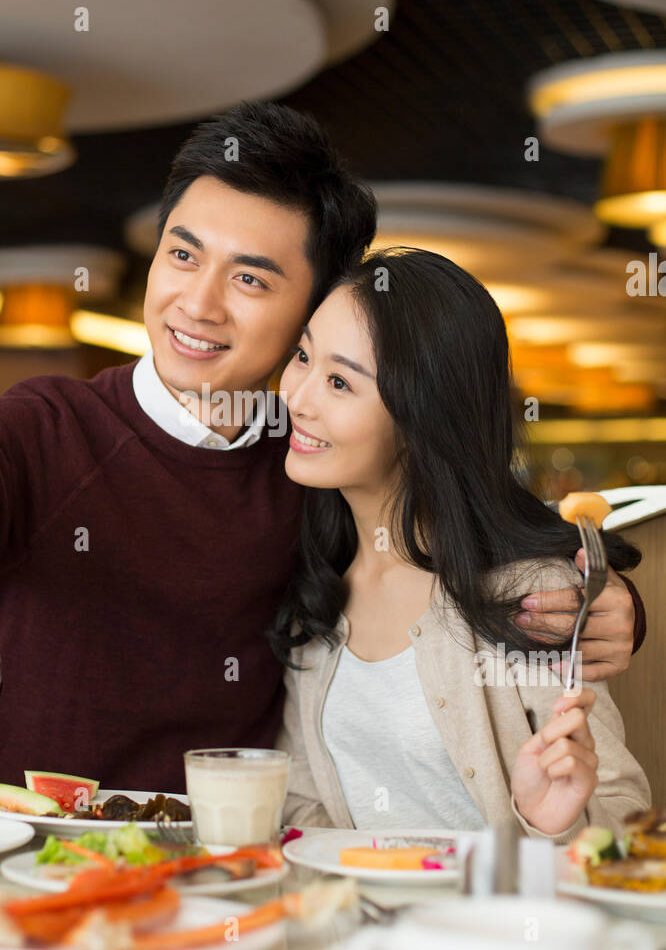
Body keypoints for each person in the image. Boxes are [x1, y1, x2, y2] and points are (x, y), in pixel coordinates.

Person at [0, 105, 645, 792]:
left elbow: (485, 525)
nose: (196, 304)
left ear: (318, 308)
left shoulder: (318, 457)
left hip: (239, 871)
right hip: (35, 853)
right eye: (182, 255)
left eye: (249, 278)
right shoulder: (46, 429)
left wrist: (611, 605)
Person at [272, 249, 651, 843]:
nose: (296, 396)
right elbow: (301, 800)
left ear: (421, 418)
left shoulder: (529, 596)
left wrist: (547, 825)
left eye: (340, 382)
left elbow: (623, 820)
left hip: (498, 929)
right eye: (302, 356)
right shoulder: (317, 585)